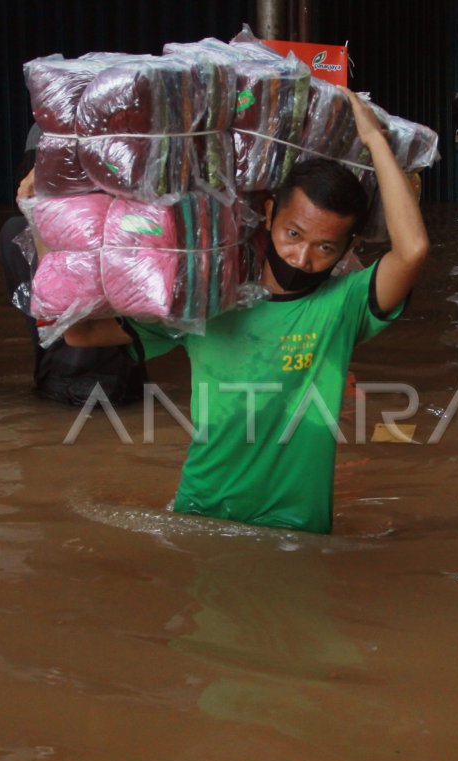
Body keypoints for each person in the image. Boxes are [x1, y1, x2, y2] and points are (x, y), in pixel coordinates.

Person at [62, 88, 429, 534]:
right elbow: (79, 333)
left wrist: (374, 140)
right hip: (199, 518)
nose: (301, 258)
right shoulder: (208, 302)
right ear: (269, 214)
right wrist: (46, 221)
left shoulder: (343, 307)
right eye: (293, 234)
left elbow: (412, 250)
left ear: (347, 248)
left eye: (325, 247)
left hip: (296, 531)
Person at [0, 125, 148, 405]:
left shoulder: (13, 233)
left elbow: (44, 311)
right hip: (123, 385)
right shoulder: (119, 222)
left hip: (54, 379)